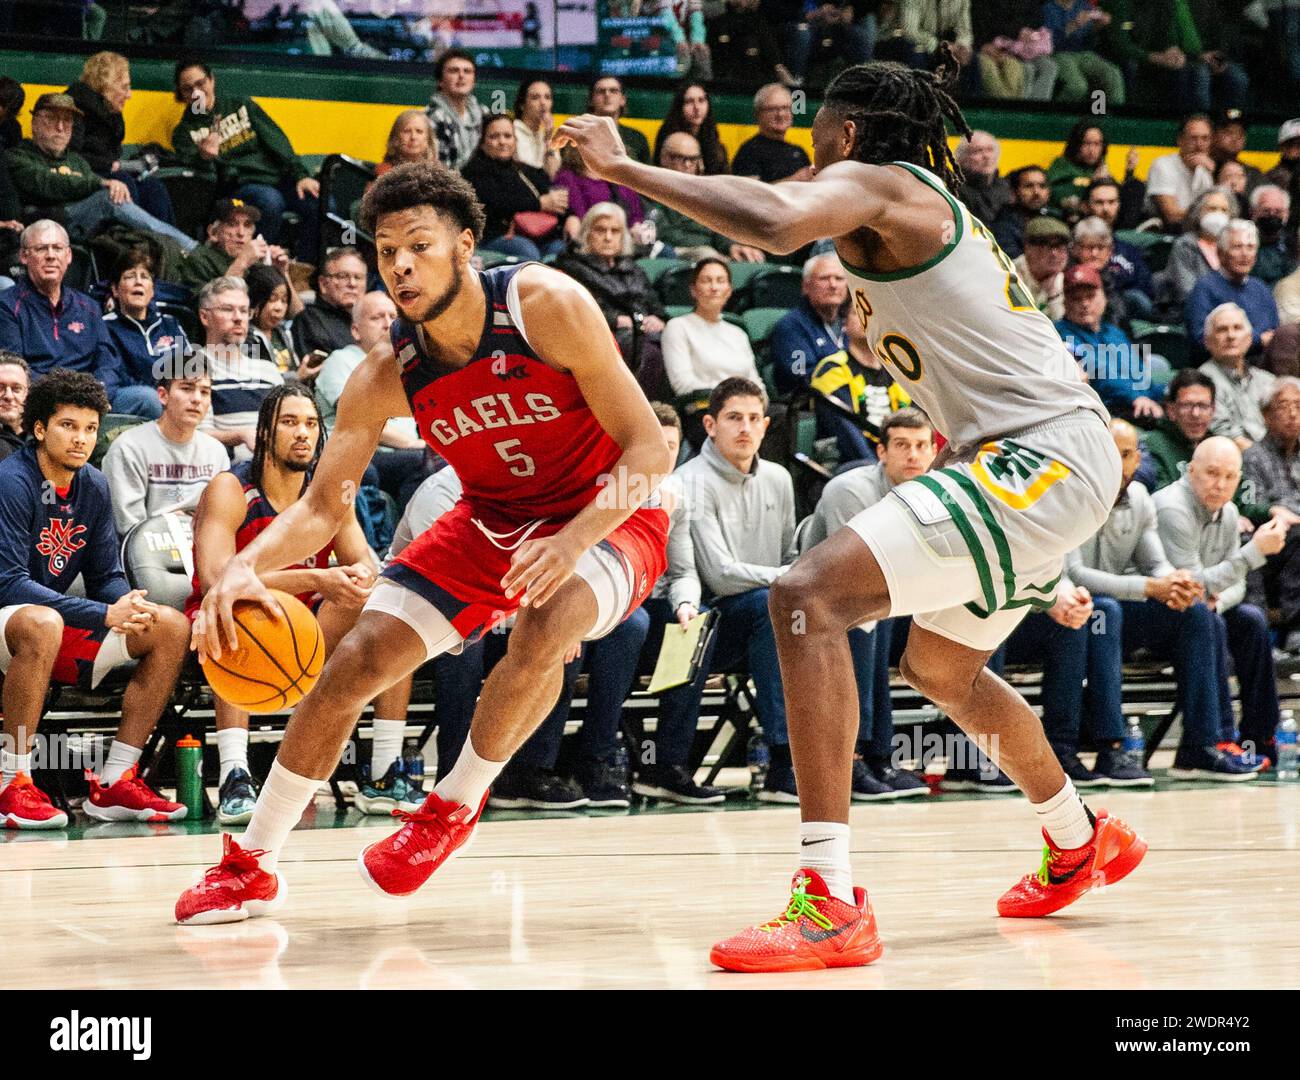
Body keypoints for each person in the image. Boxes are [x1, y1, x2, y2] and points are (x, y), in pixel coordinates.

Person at [555, 52, 1142, 971]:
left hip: (1043, 454)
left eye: (818, 136)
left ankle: (827, 901)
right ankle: (1080, 837)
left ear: (850, 136)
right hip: (1045, 457)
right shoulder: (912, 211)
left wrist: (623, 169)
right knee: (942, 667)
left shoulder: (882, 183)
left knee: (805, 597)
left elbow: (777, 221)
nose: (809, 153)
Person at [174, 162, 672, 925]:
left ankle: (452, 806)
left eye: (419, 245)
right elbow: (320, 507)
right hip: (491, 515)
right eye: (385, 251)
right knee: (354, 663)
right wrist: (240, 568)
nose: (400, 265)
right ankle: (250, 864)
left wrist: (573, 542)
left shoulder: (546, 304)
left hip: (606, 511)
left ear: (465, 245)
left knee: (548, 618)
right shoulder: (383, 372)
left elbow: (649, 450)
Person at [186, 383, 408, 824]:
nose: (303, 433)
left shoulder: (326, 496)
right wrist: (314, 578)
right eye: (289, 422)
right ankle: (235, 774)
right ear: (265, 431)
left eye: (310, 423)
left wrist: (365, 579)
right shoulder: (231, 489)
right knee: (245, 614)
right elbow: (218, 581)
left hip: (304, 629)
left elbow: (365, 565)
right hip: (227, 622)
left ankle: (384, 772)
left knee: (389, 613)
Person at [0, 370, 190, 829]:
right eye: (68, 426)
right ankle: (13, 783)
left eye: (89, 428)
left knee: (168, 625)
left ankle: (115, 779)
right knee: (43, 622)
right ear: (40, 428)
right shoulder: (11, 480)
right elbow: (8, 582)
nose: (81, 439)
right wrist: (104, 612)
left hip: (45, 626)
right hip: (9, 618)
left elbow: (104, 574)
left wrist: (130, 605)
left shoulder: (94, 485)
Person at [1064, 419, 1225, 783]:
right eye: (1109, 452)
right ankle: (1112, 751)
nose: (1117, 463)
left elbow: (1156, 563)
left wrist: (1174, 580)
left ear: (1137, 459)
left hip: (1115, 611)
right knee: (1106, 610)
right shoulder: (1069, 493)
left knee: (1195, 614)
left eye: (1125, 454)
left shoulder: (1139, 498)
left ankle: (1199, 747)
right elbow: (1074, 575)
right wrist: (1150, 587)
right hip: (1070, 612)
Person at [664, 378, 798, 800]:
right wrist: (787, 580)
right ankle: (782, 759)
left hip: (764, 616)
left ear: (766, 425)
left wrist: (792, 581)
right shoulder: (689, 482)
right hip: (700, 620)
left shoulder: (778, 478)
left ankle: (858, 756)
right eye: (734, 418)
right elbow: (719, 576)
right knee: (767, 605)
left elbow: (790, 554)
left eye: (754, 418)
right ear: (709, 424)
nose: (745, 428)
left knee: (807, 613)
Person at [801, 408, 935, 798]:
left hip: (886, 596)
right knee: (867, 620)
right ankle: (853, 758)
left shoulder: (934, 492)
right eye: (902, 445)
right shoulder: (850, 490)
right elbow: (853, 571)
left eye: (921, 446)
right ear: (881, 451)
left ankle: (882, 757)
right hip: (821, 602)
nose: (913, 455)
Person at [1154, 437, 1286, 775]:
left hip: (1199, 611)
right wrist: (1253, 552)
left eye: (1230, 477)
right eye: (1212, 473)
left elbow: (1235, 585)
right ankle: (1212, 741)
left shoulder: (1228, 512)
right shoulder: (1172, 508)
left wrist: (1218, 600)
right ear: (1191, 470)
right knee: (1204, 618)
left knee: (1251, 619)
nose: (1220, 484)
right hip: (1154, 612)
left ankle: (1258, 738)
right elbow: (1191, 586)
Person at [629, 404, 728, 805]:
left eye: (671, 446)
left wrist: (686, 603)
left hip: (655, 607)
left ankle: (668, 767)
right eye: (656, 444)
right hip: (613, 610)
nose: (663, 455)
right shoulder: (611, 487)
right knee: (628, 625)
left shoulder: (676, 495)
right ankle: (594, 759)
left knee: (695, 622)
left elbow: (684, 570)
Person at [6, 93, 195, 252]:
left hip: (85, 227)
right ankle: (189, 248)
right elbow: (49, 182)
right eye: (52, 119)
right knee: (108, 200)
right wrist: (101, 182)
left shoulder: (77, 161)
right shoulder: (17, 157)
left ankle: (172, 254)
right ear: (35, 123)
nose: (60, 128)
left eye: (67, 121)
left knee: (141, 198)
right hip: (47, 223)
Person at [171, 61, 321, 260]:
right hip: (240, 188)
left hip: (278, 178)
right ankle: (260, 265)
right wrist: (204, 158)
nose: (197, 92)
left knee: (320, 200)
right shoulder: (184, 133)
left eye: (201, 84)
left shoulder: (240, 104)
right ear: (181, 95)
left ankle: (304, 268)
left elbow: (277, 141)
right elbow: (201, 184)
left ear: (212, 80)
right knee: (270, 201)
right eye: (188, 89)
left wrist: (301, 176)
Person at [316, 290, 432, 507]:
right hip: (355, 455)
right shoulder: (341, 361)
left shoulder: (405, 367)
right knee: (422, 461)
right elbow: (359, 418)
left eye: (392, 316)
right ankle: (409, 539)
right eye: (377, 317)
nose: (388, 324)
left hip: (401, 455)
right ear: (356, 330)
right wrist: (411, 444)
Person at [102, 358, 229, 535]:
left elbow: (221, 523)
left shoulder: (217, 452)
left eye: (205, 392)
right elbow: (129, 529)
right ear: (163, 395)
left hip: (201, 550)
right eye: (187, 388)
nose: (197, 399)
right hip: (147, 553)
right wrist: (172, 525)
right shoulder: (128, 448)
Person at [554, 203, 668, 396]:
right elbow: (573, 311)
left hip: (643, 336)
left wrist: (657, 318)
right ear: (587, 233)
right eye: (600, 230)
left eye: (615, 231)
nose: (608, 237)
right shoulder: (571, 268)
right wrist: (616, 320)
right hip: (601, 338)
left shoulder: (634, 269)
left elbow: (654, 305)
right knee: (646, 352)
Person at [0, 221, 122, 395]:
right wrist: (66, 394)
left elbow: (108, 363)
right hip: (39, 398)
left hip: (91, 397)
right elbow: (14, 368)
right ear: (24, 256)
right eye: (41, 248)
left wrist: (98, 390)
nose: (51, 256)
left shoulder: (89, 307)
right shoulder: (6, 305)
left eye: (57, 248)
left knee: (144, 399)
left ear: (69, 255)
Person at [67, 51, 176, 226]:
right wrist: (112, 165)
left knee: (153, 188)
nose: (129, 94)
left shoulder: (111, 114)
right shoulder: (75, 109)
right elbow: (70, 156)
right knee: (123, 182)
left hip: (109, 171)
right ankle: (134, 246)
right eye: (124, 87)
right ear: (106, 86)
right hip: (85, 178)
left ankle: (168, 247)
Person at [194, 276, 284, 460]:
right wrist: (240, 435)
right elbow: (194, 437)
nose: (238, 318)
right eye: (227, 310)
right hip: (225, 474)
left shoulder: (268, 370)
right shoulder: (192, 367)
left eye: (244, 311)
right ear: (205, 316)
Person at [1054, 264, 1160, 419]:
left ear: (1104, 297)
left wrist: (1163, 394)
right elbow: (1097, 371)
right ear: (1065, 303)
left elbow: (1140, 374)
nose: (1084, 304)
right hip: (1102, 413)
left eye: (1090, 296)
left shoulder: (1114, 332)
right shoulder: (1060, 333)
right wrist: (1135, 396)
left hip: (1139, 406)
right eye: (1076, 299)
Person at [810, 298, 909, 463]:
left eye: (872, 314)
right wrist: (880, 471)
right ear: (844, 324)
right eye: (858, 313)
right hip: (849, 462)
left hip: (900, 461)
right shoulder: (832, 368)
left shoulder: (898, 369)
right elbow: (846, 433)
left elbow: (916, 421)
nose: (866, 319)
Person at [460, 114, 569, 262]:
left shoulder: (525, 170)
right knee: (527, 251)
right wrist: (539, 204)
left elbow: (554, 193)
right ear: (483, 142)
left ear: (515, 140)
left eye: (507, 136)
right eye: (494, 137)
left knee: (561, 249)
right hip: (497, 237)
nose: (502, 142)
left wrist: (568, 213)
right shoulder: (473, 172)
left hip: (538, 235)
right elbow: (496, 203)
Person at [643, 133, 765, 263]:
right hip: (670, 254)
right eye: (681, 158)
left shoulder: (706, 194)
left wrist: (732, 246)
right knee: (707, 256)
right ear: (664, 159)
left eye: (693, 159)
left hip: (710, 255)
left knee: (750, 258)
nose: (688, 165)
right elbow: (650, 235)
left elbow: (719, 228)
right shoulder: (649, 190)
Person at [1242, 378, 1300, 650]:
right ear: (1266, 415)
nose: (1292, 414)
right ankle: (1294, 629)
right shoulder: (1253, 456)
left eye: (1298, 406)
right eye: (1283, 406)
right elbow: (1246, 505)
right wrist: (1271, 509)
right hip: (1271, 543)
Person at [102, 248, 191, 420]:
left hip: (169, 399)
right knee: (149, 398)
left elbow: (188, 367)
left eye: (145, 276)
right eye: (129, 276)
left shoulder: (170, 324)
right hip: (132, 401)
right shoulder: (106, 326)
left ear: (152, 289)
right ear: (115, 289)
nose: (138, 282)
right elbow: (114, 375)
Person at [661, 258, 759, 412]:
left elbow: (755, 382)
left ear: (729, 290)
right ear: (693, 289)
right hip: (704, 409)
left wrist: (758, 403)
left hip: (744, 408)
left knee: (778, 416)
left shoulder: (738, 333)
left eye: (720, 281)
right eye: (707, 281)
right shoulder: (678, 327)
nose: (714, 287)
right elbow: (683, 385)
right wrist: (730, 401)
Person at [1185, 222, 1280, 364]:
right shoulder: (1204, 288)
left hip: (1260, 370)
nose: (1245, 254)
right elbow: (1201, 340)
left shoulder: (1261, 288)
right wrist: (1258, 340)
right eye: (1237, 247)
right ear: (1220, 254)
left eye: (1250, 247)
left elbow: (1274, 335)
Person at [769, 251, 848, 394]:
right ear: (806, 286)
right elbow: (800, 377)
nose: (833, 285)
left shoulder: (852, 323)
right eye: (824, 278)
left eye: (839, 278)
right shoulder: (791, 326)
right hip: (807, 404)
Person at [172, 198, 291, 293]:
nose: (241, 233)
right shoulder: (198, 260)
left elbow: (296, 317)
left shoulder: (256, 265)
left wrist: (282, 274)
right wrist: (241, 263)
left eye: (247, 225)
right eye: (232, 224)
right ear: (213, 232)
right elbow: (205, 308)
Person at [1162, 186, 1237, 309]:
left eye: (1224, 210)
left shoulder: (1234, 248)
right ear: (1198, 212)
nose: (1218, 214)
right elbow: (1186, 291)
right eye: (1212, 209)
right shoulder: (1185, 245)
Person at [1070, 215, 1154, 323]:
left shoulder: (1113, 279)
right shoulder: (1068, 277)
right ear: (1076, 249)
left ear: (1110, 251)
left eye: (1100, 248)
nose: (1094, 253)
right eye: (1089, 247)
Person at [1042, 0, 1126, 106]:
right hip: (1060, 54)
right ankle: (1056, 118)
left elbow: (1089, 39)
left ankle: (1112, 119)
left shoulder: (1083, 5)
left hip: (1084, 53)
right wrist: (1075, 24)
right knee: (1077, 86)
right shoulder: (1049, 8)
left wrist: (1098, 26)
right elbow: (1051, 43)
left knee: (1114, 74)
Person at [291, 247, 367, 358]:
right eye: (343, 276)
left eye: (358, 277)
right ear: (323, 284)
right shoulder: (310, 320)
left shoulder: (372, 322)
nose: (352, 284)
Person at [1145, 114, 1216, 231]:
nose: (1199, 144)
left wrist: (1214, 174)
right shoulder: (1163, 165)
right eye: (1193, 138)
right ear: (1180, 140)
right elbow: (1172, 216)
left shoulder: (1206, 171)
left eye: (1205, 138)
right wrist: (1209, 214)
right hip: (1165, 233)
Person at [731, 84, 813, 186]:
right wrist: (794, 180)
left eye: (785, 108)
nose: (780, 114)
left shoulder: (799, 152)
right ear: (758, 114)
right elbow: (748, 193)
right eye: (773, 109)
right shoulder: (749, 152)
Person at [424, 49, 484, 173]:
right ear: (440, 81)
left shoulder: (484, 114)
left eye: (467, 71)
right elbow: (438, 171)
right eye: (454, 71)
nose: (461, 76)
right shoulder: (432, 117)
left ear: (474, 81)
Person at [652, 83, 729, 177]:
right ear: (680, 106)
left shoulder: (713, 140)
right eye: (689, 101)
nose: (696, 107)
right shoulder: (667, 136)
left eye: (701, 100)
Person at [245, 262, 303, 378]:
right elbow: (257, 381)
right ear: (255, 301)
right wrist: (298, 377)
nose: (279, 307)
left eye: (284, 301)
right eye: (272, 299)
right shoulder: (248, 338)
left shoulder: (283, 334)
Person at [1045, 121, 1113, 215]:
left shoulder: (1101, 170)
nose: (1092, 150)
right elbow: (1052, 194)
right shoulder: (1062, 165)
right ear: (1076, 145)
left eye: (1097, 144)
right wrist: (1092, 185)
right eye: (1086, 143)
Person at [1013, 215, 1069, 320]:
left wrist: (1053, 296)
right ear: (1028, 248)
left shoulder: (1065, 280)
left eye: (1060, 246)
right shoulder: (1009, 274)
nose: (1054, 254)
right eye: (1047, 246)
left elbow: (1065, 332)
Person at [587, 76, 651, 166]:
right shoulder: (579, 133)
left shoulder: (637, 138)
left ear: (622, 100)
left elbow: (647, 175)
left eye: (613, 91)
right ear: (591, 100)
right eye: (601, 91)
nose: (607, 95)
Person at [991, 165, 1052, 259]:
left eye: (1042, 186)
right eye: (1028, 186)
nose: (1036, 192)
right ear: (1014, 192)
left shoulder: (1056, 217)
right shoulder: (1003, 225)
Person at [954, 131, 1011, 227]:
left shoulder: (1009, 188)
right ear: (961, 159)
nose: (986, 156)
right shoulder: (954, 190)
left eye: (990, 150)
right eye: (977, 151)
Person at [1248, 184, 1296, 287]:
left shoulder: (1294, 245)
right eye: (1266, 211)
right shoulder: (1243, 243)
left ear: (1286, 215)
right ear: (1253, 212)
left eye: (1278, 211)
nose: (1272, 215)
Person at [512, 79, 561, 179]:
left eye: (547, 97)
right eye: (535, 98)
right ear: (522, 105)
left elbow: (553, 176)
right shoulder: (512, 131)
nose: (543, 103)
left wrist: (548, 140)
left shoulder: (548, 136)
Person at [376, 110, 437, 179]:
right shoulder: (383, 173)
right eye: (407, 131)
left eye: (419, 131)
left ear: (428, 138)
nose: (413, 137)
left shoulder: (438, 173)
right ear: (396, 138)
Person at [0, 350, 27, 461]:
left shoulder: (43, 436)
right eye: (0, 388)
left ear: (27, 393)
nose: (9, 396)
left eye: (16, 389)